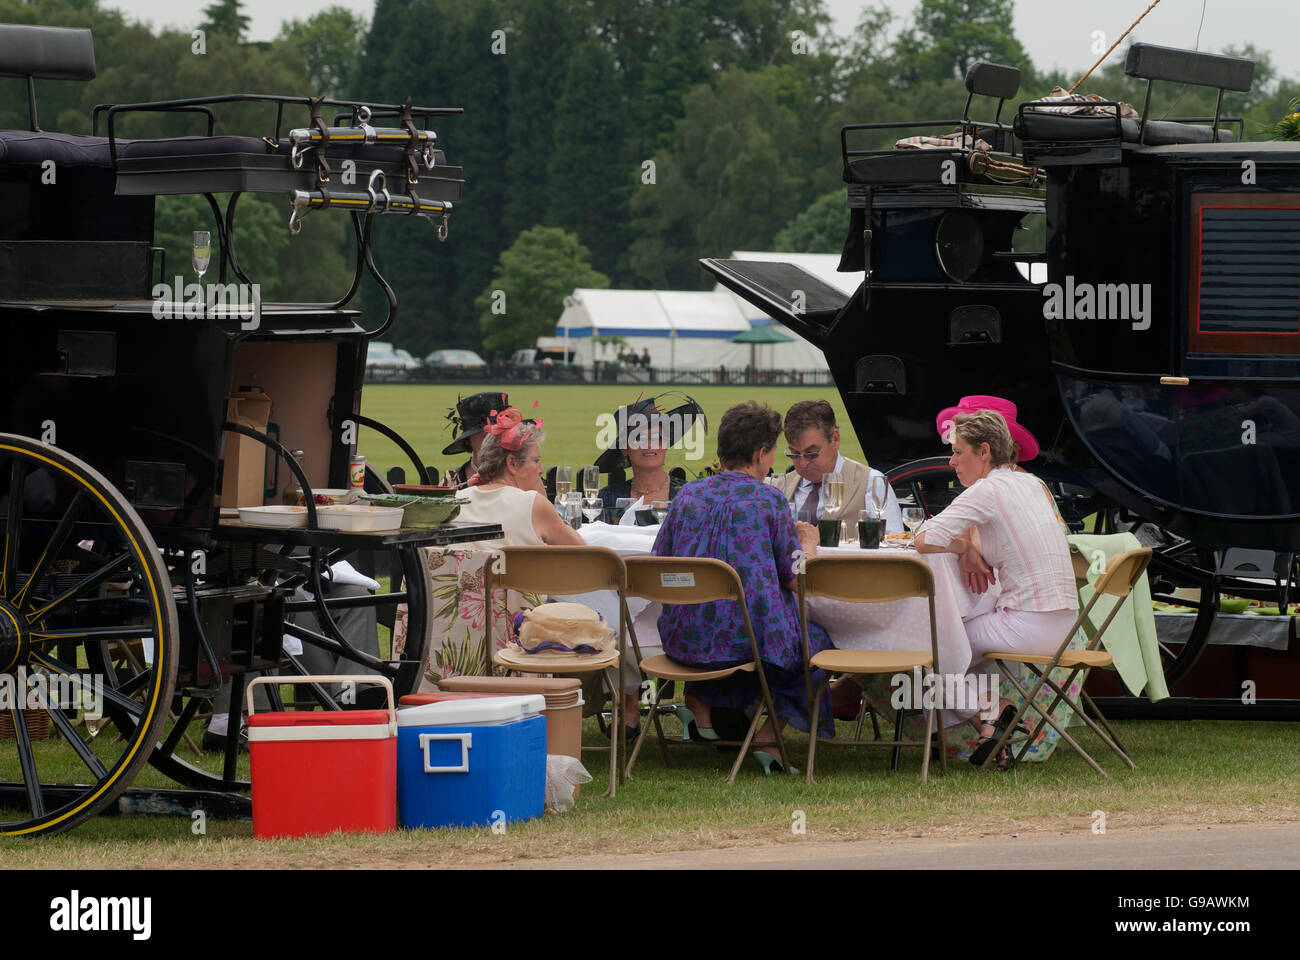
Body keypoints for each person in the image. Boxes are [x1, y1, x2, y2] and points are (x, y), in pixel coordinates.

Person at [652, 401, 832, 774]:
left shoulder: (687, 495)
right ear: (761, 453)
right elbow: (796, 577)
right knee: (814, 646)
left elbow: (659, 562)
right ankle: (768, 739)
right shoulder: (769, 500)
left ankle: (698, 703)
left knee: (753, 644)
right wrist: (809, 545)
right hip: (744, 640)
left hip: (682, 639)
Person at [914, 409, 1079, 770]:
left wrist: (964, 548)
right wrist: (971, 544)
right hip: (1066, 626)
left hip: (1029, 625)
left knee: (928, 649)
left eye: (959, 452)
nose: (952, 461)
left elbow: (924, 539)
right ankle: (992, 730)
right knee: (967, 650)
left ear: (984, 451)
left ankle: (992, 714)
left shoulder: (987, 490)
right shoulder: (1031, 483)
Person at [453, 408, 582, 548]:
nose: (541, 470)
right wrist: (541, 496)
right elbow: (586, 554)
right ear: (512, 463)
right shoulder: (533, 504)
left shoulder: (455, 501)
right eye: (536, 461)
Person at [774, 399, 903, 531]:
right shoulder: (779, 486)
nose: (803, 463)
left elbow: (893, 544)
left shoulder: (871, 482)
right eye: (794, 454)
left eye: (811, 453)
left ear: (835, 439)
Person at [594, 393, 704, 518]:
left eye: (657, 437)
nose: (649, 444)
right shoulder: (608, 498)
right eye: (639, 437)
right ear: (625, 448)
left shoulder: (690, 496)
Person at [442, 392, 508, 487]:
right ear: (468, 439)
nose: (491, 438)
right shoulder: (451, 482)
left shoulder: (525, 476)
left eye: (498, 431)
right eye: (484, 434)